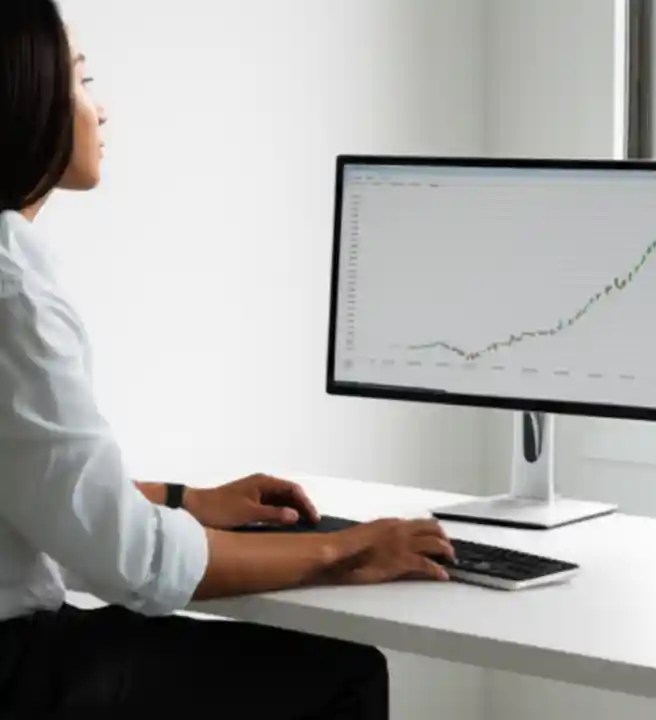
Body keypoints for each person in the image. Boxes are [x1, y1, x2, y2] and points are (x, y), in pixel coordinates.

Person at [0, 2, 458, 717]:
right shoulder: (15, 288)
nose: (102, 110)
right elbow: (130, 562)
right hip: (15, 674)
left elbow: (34, 487)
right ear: (25, 102)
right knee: (344, 675)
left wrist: (189, 501)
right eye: (82, 82)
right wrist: (342, 554)